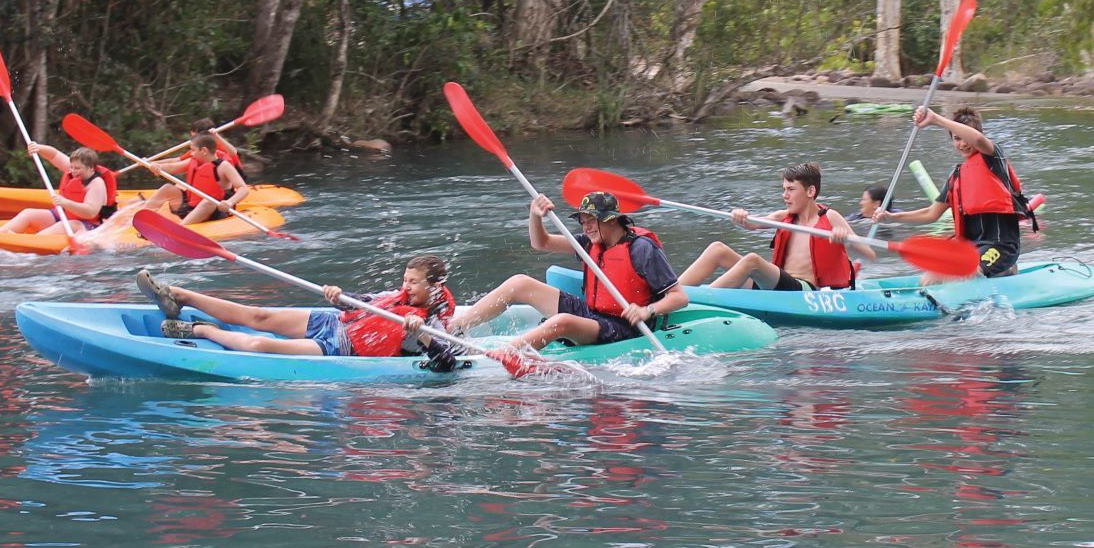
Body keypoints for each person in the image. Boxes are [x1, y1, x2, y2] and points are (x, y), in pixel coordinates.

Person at [449, 192, 688, 352]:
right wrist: (535, 215)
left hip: (626, 326)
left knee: (561, 322)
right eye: (583, 222)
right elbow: (541, 243)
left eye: (592, 221)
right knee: (519, 283)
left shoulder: (642, 249)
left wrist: (647, 310)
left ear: (612, 220)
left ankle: (499, 355)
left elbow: (679, 297)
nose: (586, 227)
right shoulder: (589, 243)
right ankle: (453, 329)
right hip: (593, 314)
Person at [139, 254, 460, 366]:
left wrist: (422, 337)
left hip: (340, 347)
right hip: (333, 322)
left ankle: (203, 330)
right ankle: (179, 295)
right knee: (259, 316)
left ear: (433, 286)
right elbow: (363, 300)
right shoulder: (399, 295)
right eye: (405, 280)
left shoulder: (433, 320)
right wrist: (338, 297)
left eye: (413, 283)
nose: (406, 287)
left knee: (258, 345)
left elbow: (446, 362)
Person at [875, 106, 1039, 281]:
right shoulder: (956, 178)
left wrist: (935, 119)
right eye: (957, 138)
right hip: (970, 248)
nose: (963, 144)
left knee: (962, 273)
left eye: (965, 137)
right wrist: (891, 217)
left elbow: (977, 139)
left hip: (1001, 246)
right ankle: (1001, 272)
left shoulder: (993, 157)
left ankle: (1005, 268)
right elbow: (931, 213)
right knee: (928, 278)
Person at [678, 162, 860, 292]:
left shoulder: (830, 217)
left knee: (753, 261)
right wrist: (741, 217)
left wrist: (845, 238)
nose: (785, 195)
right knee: (717, 249)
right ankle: (671, 293)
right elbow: (754, 224)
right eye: (784, 189)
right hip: (775, 285)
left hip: (804, 290)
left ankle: (706, 299)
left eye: (791, 189)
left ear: (810, 191)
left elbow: (866, 251)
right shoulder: (783, 216)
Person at [0, 144, 118, 236]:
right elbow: (54, 155)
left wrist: (65, 202)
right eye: (72, 167)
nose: (73, 171)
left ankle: (30, 241)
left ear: (91, 168)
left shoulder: (97, 184)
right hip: (64, 215)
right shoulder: (73, 169)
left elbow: (90, 212)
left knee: (65, 225)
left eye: (77, 168)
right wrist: (39, 148)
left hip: (87, 226)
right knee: (28, 213)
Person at [149, 133, 251, 225]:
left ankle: (180, 229)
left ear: (204, 151)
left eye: (193, 150)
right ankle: (144, 217)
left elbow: (243, 188)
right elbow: (172, 167)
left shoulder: (223, 166)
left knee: (208, 201)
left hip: (213, 211)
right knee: (167, 188)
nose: (191, 153)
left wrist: (230, 202)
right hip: (190, 208)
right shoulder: (192, 161)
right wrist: (158, 166)